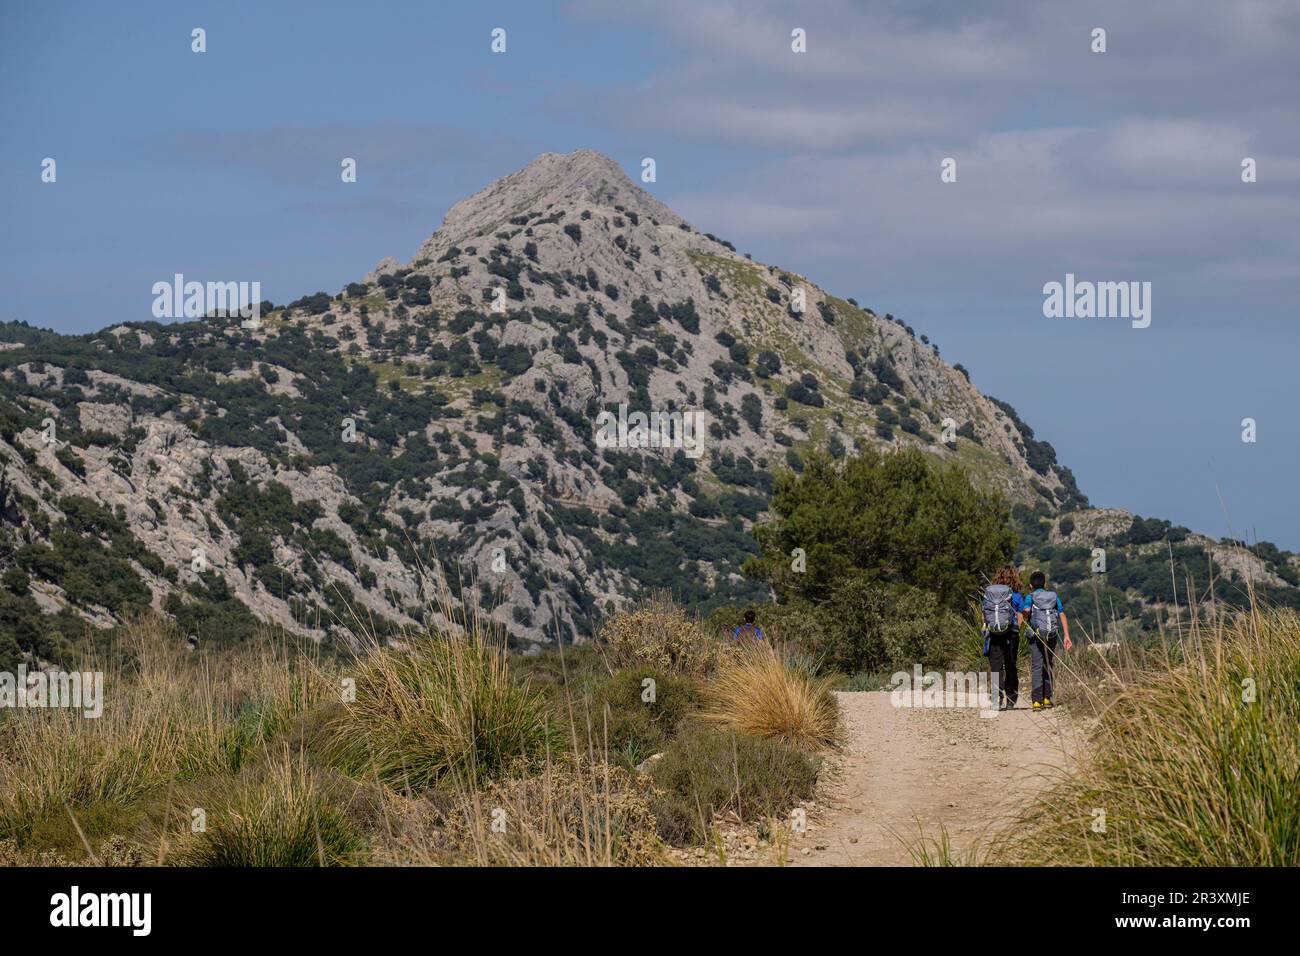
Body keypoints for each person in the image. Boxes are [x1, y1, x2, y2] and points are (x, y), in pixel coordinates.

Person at [1020, 570, 1072, 711]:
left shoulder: (1030, 597)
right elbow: (1061, 614)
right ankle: (1047, 698)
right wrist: (1067, 635)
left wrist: (1019, 622)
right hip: (1052, 636)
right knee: (1048, 664)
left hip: (1036, 636)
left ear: (1030, 586)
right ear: (1045, 584)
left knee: (1037, 666)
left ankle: (1037, 701)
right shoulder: (1054, 596)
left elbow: (1026, 612)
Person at [979, 565, 1025, 710]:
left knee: (996, 666)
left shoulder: (990, 595)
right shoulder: (1016, 596)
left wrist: (988, 626)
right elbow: (1021, 616)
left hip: (994, 634)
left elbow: (984, 615)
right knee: (1011, 665)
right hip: (1011, 633)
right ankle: (1011, 699)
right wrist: (1015, 629)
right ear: (1014, 577)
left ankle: (996, 699)